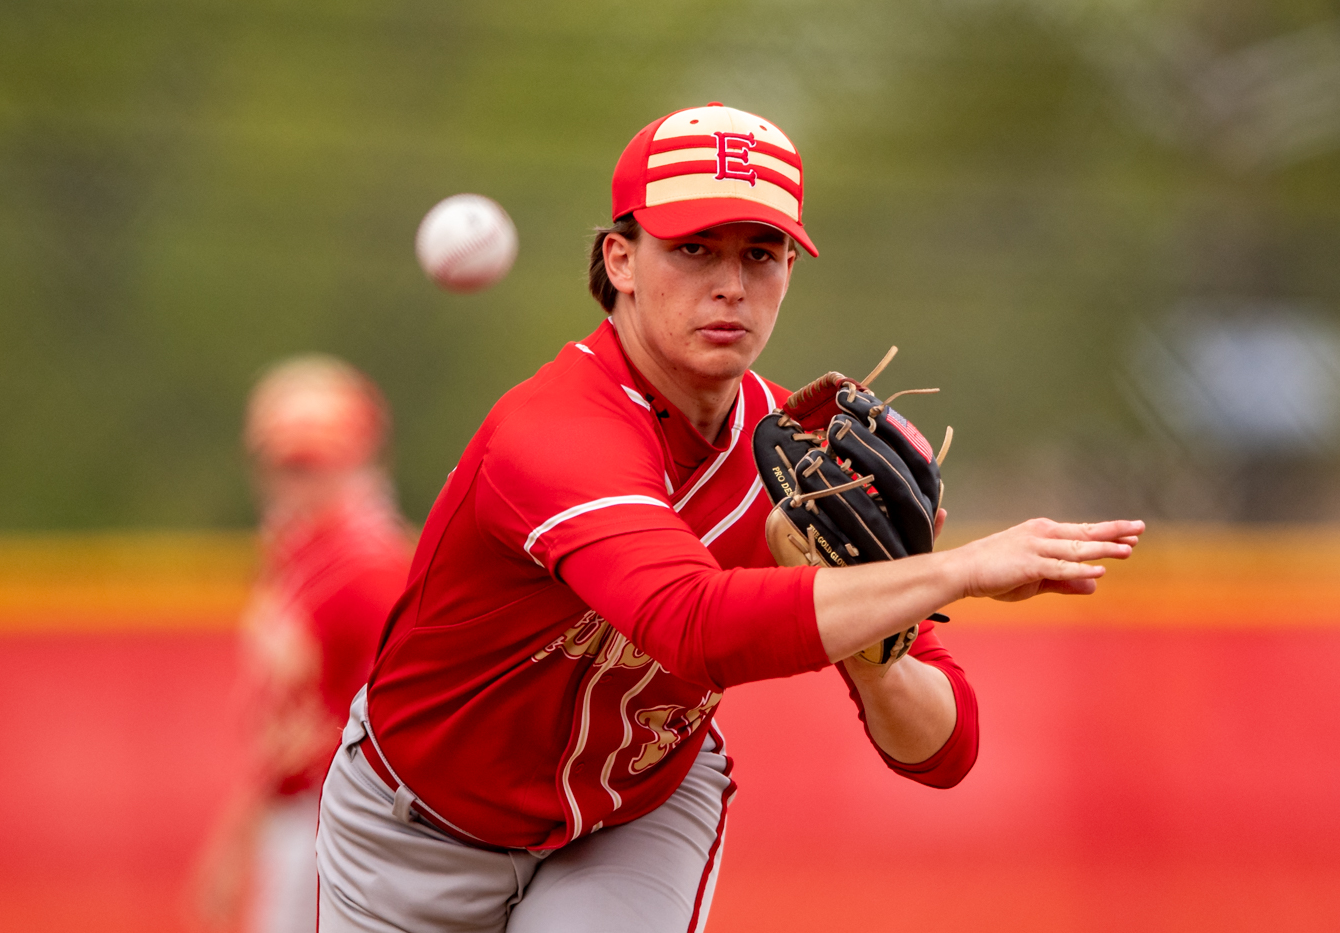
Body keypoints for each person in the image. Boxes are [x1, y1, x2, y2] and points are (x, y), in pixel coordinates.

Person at [315, 103, 1144, 933]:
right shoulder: (554, 430)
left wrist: (876, 658)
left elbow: (944, 750)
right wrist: (955, 569)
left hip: (635, 815)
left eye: (761, 253)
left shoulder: (805, 462)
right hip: (418, 828)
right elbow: (689, 626)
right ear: (621, 259)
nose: (731, 285)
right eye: (693, 248)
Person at [191, 356, 415, 933]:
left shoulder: (366, 569)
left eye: (314, 463)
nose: (296, 481)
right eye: (285, 464)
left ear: (358, 459)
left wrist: (235, 838)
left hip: (343, 815)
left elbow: (356, 727)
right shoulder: (301, 553)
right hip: (304, 811)